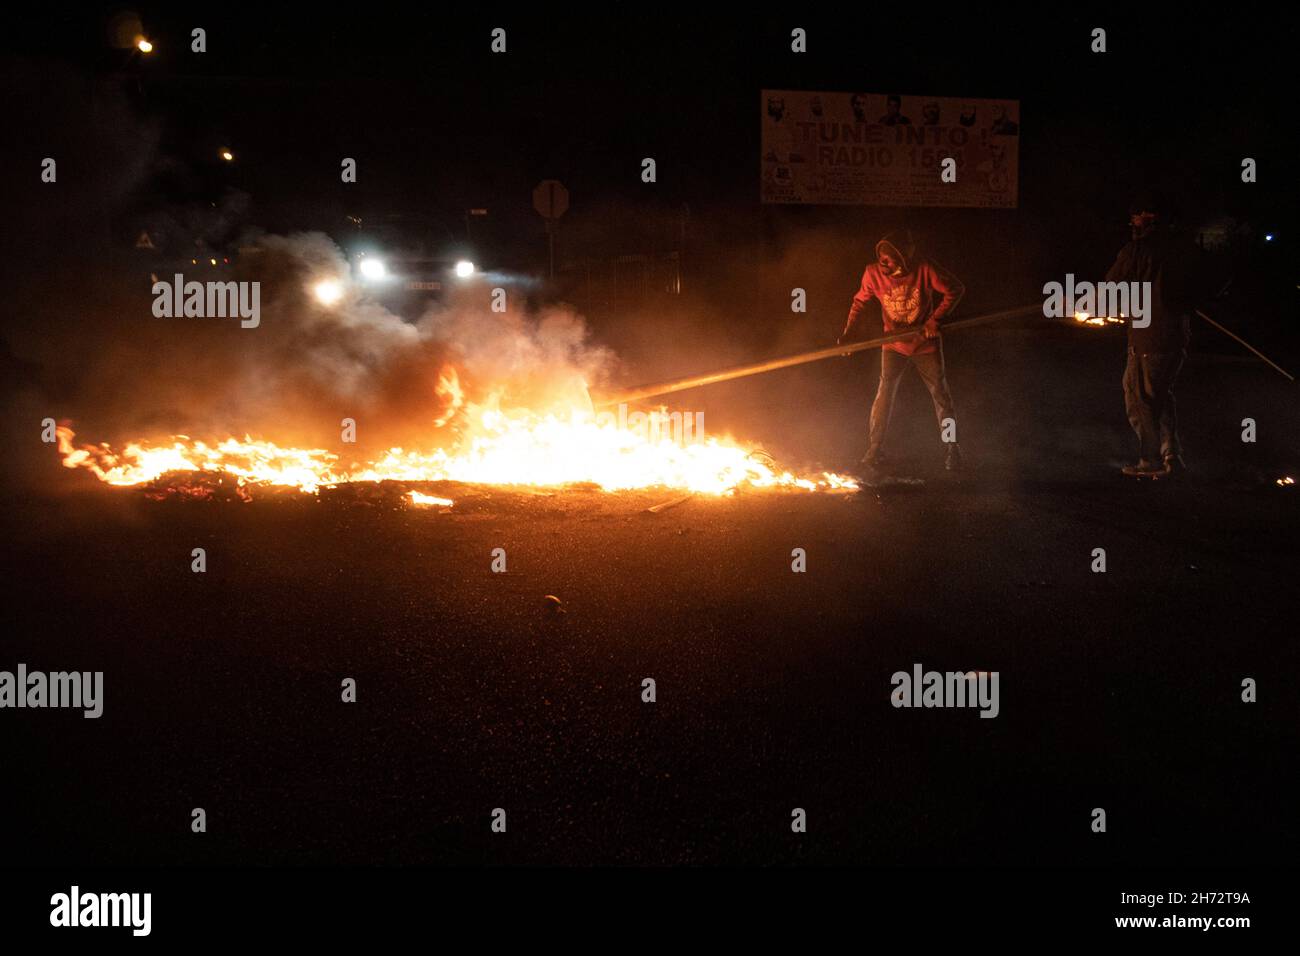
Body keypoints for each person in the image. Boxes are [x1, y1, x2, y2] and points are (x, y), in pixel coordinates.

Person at [838, 231, 966, 474]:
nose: (883, 263)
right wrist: (848, 334)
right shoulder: (872, 273)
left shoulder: (925, 269)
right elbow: (859, 302)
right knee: (884, 394)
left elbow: (956, 289)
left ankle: (952, 447)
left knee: (941, 395)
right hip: (893, 344)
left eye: (890, 258)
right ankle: (875, 449)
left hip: (924, 344)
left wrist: (935, 320)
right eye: (881, 258)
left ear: (903, 258)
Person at [1105, 194, 1205, 479]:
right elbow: (1205, 283)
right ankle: (1171, 456)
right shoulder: (1183, 251)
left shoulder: (1136, 252)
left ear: (1145, 219)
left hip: (1149, 339)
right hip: (1176, 337)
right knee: (1159, 395)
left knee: (1140, 398)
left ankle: (1150, 461)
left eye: (1135, 218)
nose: (1131, 224)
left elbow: (1112, 286)